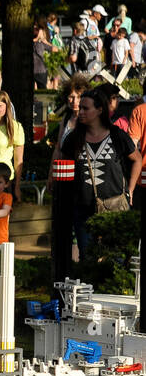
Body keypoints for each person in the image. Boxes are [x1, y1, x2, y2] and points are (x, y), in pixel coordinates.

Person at [58, 85, 141, 262]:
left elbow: (137, 159)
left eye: (85, 108)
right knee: (88, 259)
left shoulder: (117, 136)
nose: (80, 112)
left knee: (117, 259)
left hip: (114, 207)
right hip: (83, 209)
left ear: (99, 110)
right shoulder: (73, 139)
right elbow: (63, 166)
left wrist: (131, 189)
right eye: (80, 108)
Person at [33, 24, 53, 90]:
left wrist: (44, 41)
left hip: (40, 71)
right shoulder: (40, 43)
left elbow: (55, 49)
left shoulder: (41, 43)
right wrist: (42, 39)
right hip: (40, 71)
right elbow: (55, 49)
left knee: (42, 89)